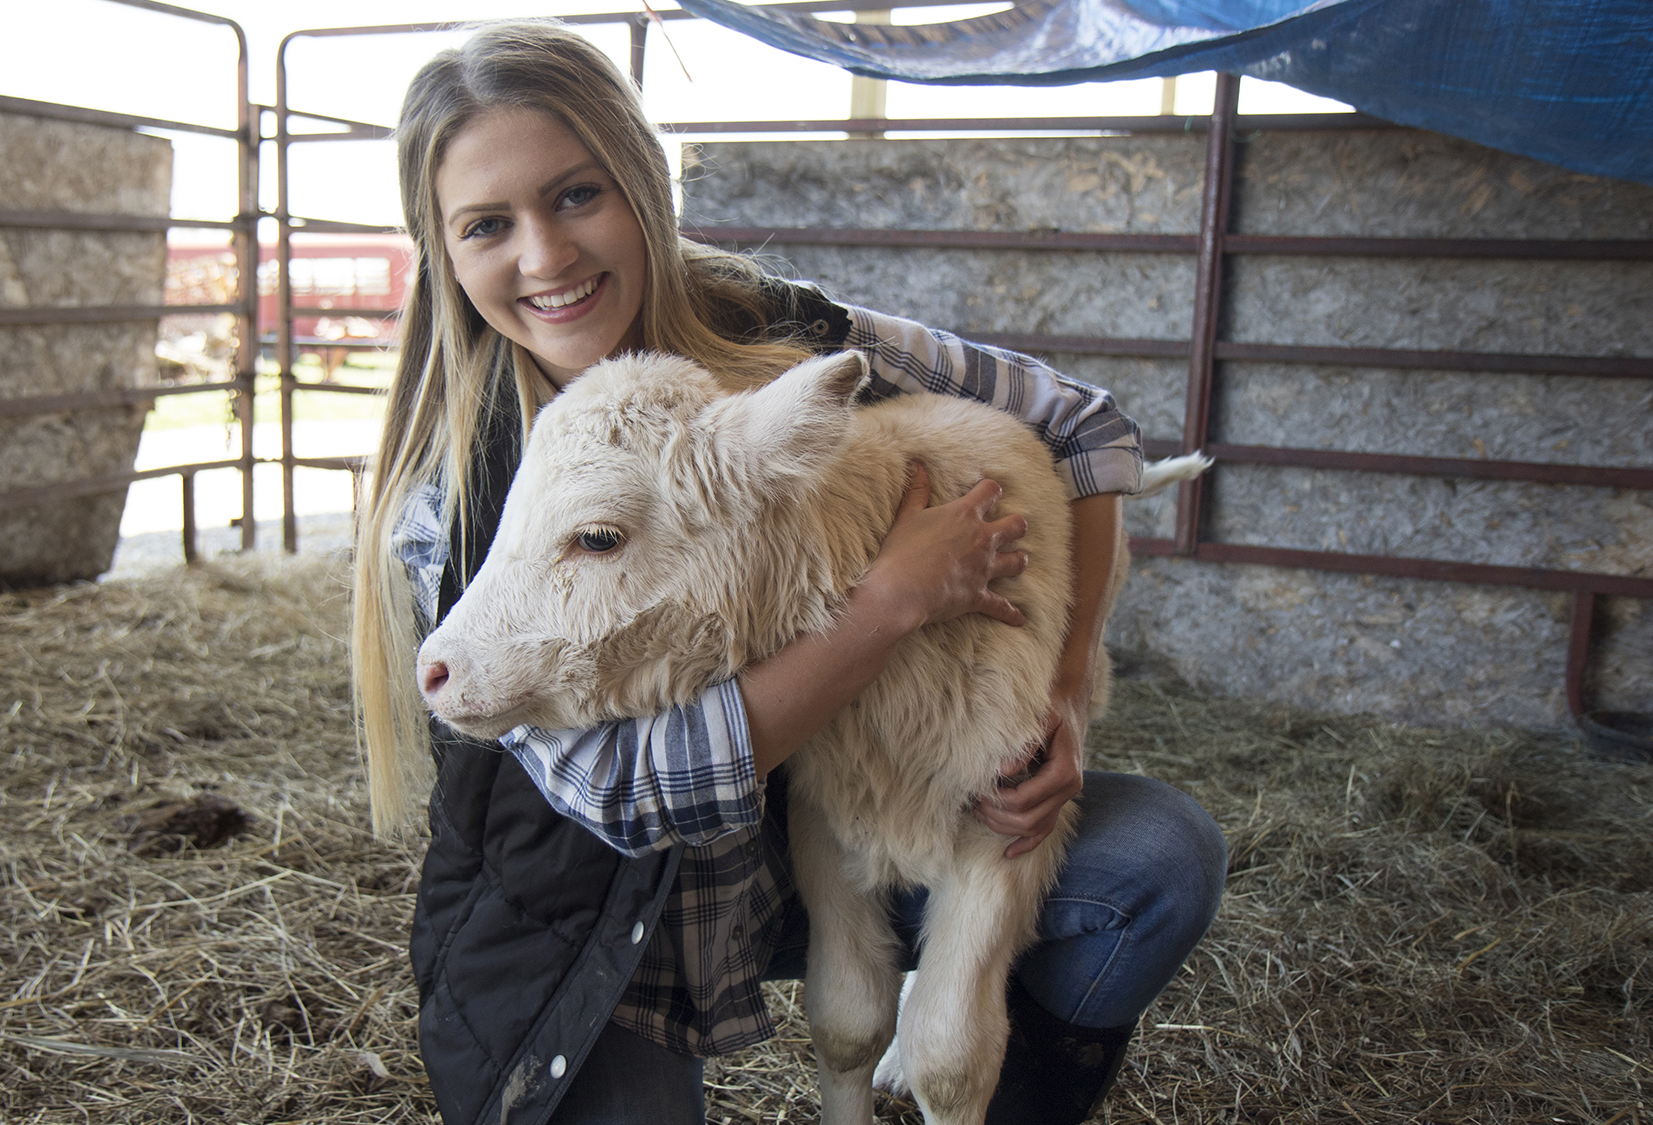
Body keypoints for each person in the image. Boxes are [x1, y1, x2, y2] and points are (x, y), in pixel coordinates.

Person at [349, 20, 1226, 1125]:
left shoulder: (785, 335)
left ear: (643, 185)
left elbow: (1078, 423)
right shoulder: (459, 499)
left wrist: (1063, 685)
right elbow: (619, 793)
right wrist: (893, 601)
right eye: (486, 224)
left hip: (815, 839)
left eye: (577, 195)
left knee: (1159, 858)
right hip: (598, 929)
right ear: (440, 249)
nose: (545, 257)